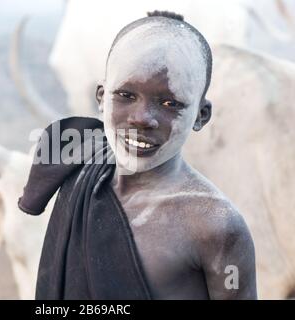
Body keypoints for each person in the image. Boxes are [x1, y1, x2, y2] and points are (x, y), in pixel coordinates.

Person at [18, 11, 257, 299]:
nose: (142, 118)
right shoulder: (77, 168)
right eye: (126, 96)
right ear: (101, 98)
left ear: (201, 115)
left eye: (170, 103)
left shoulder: (215, 225)